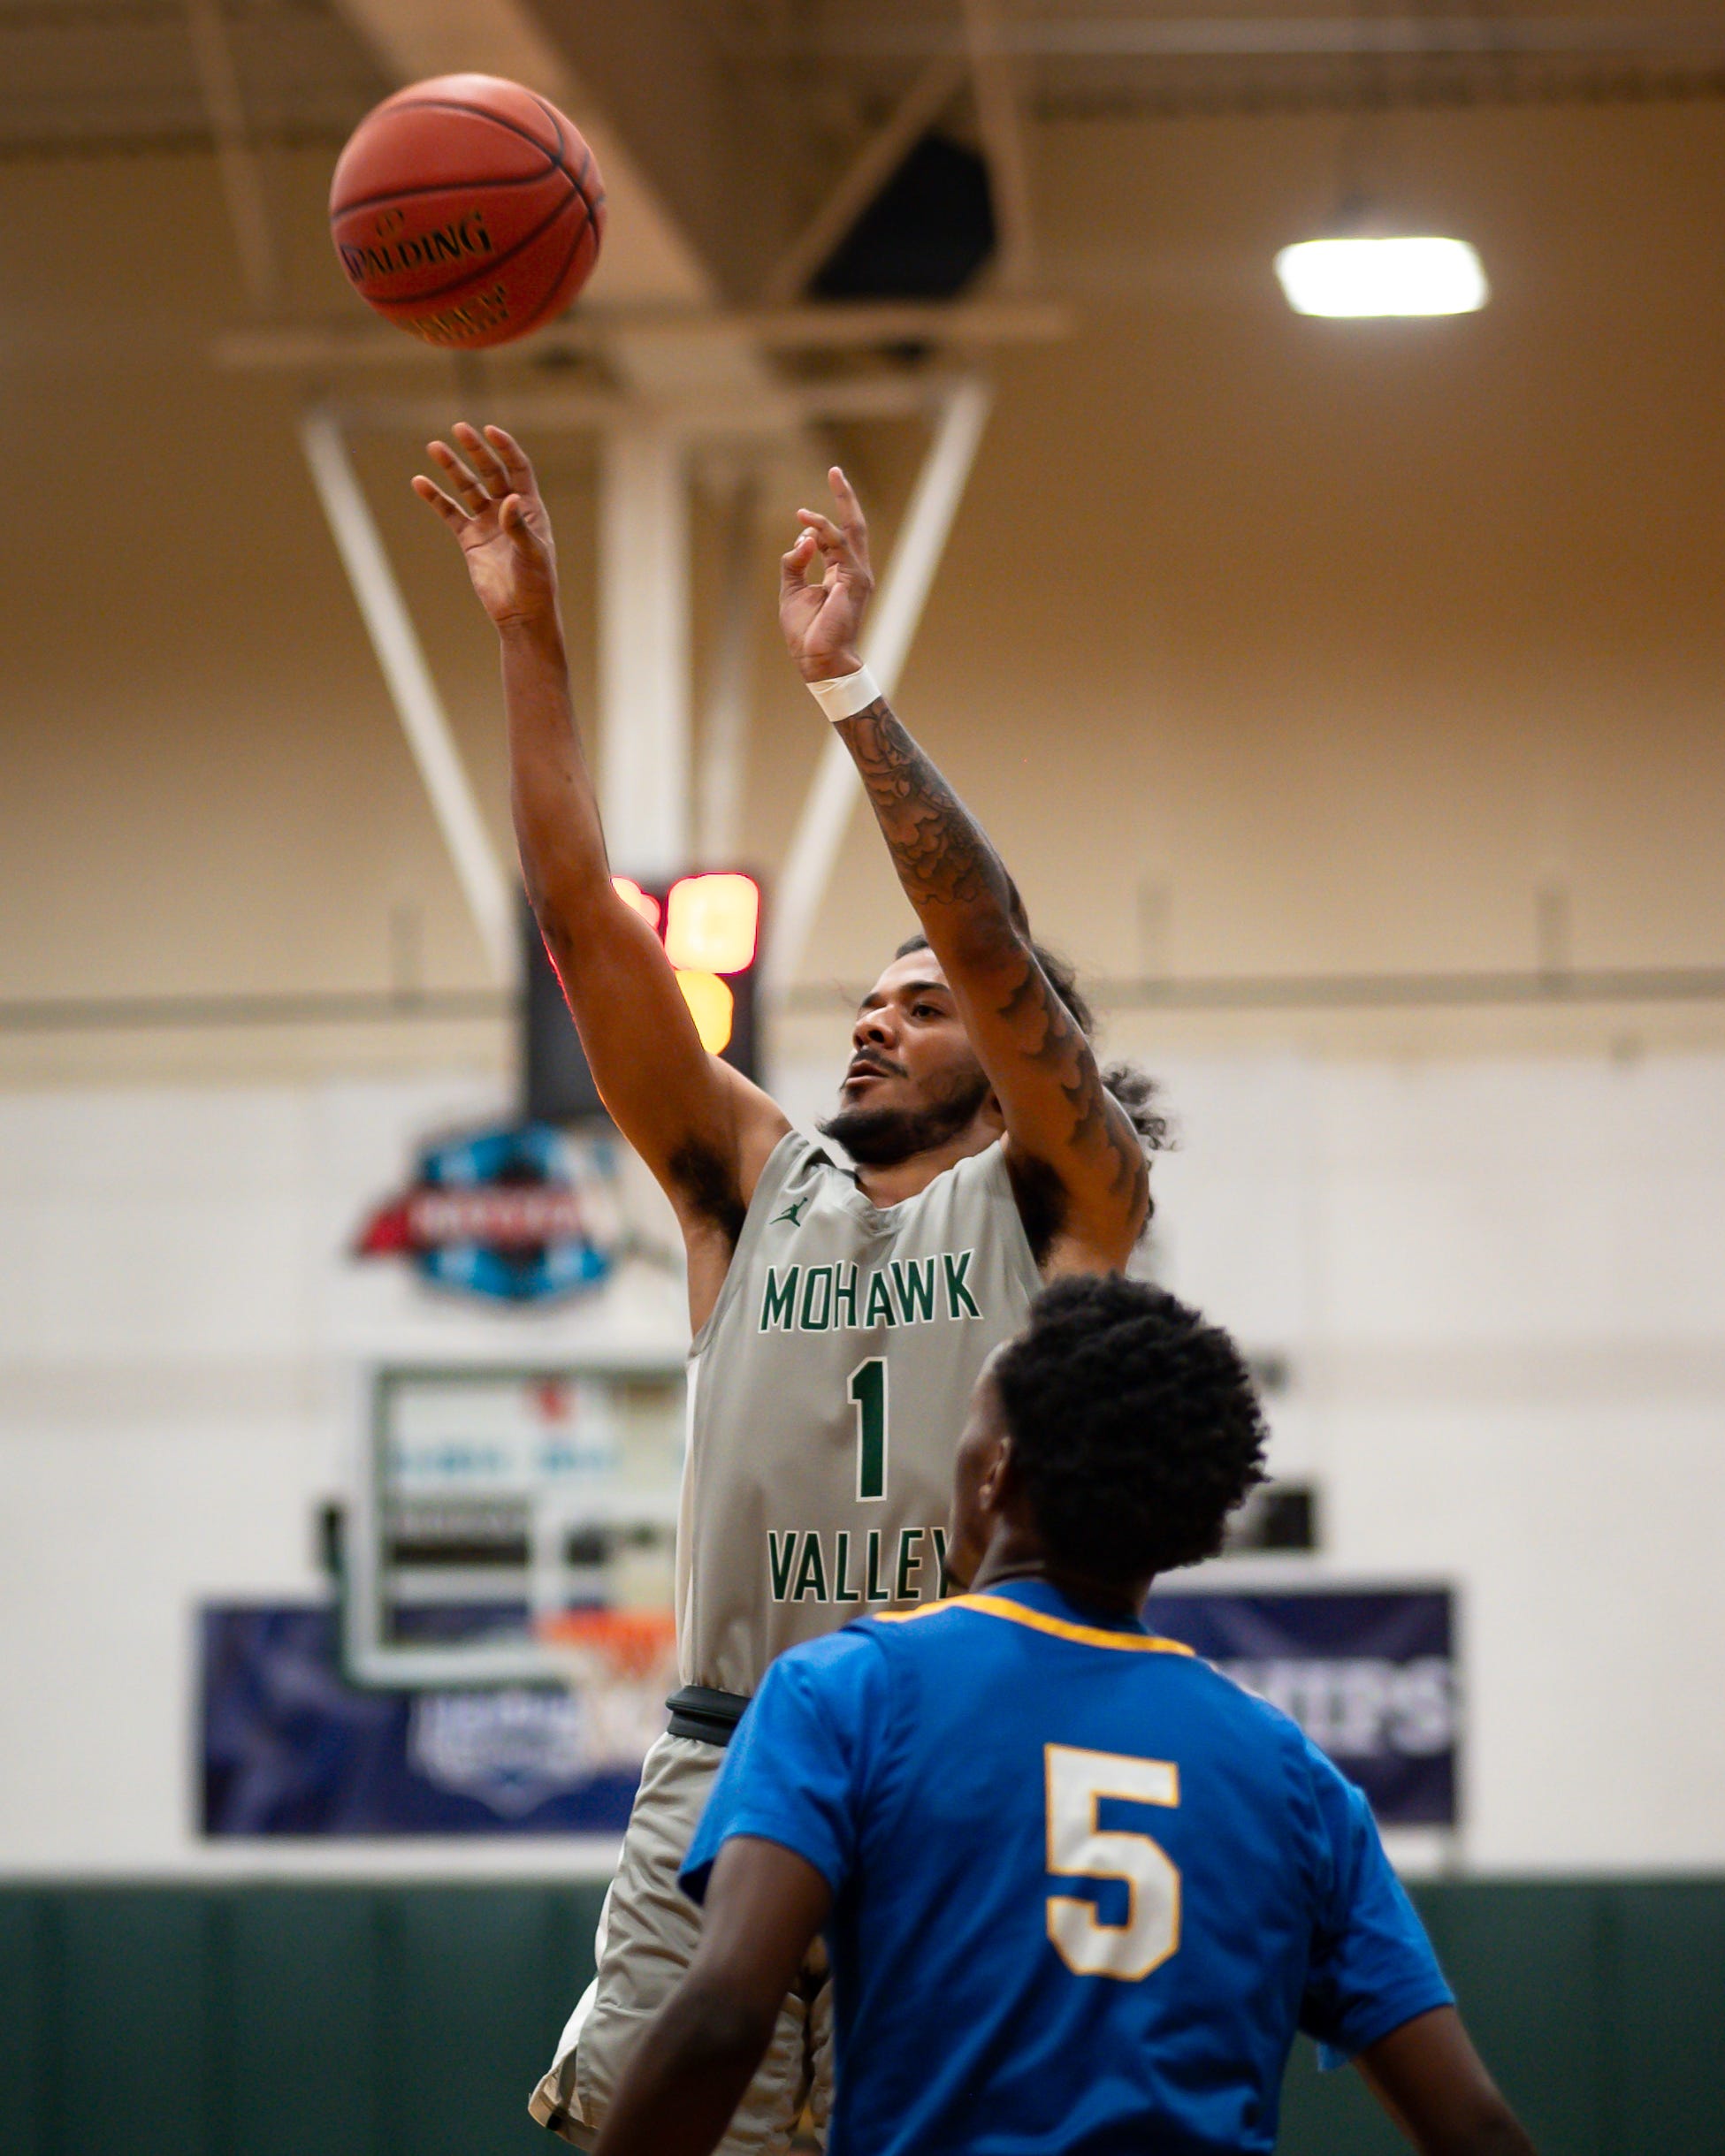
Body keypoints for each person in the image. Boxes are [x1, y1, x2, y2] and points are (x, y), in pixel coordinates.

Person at [411, 426, 1164, 2152]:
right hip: (725, 1761)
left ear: (1022, 1040)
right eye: (871, 996)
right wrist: (530, 639)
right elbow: (583, 924)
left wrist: (845, 692)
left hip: (960, 1767)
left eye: (923, 1001)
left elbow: (985, 933)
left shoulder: (1066, 1196)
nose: (873, 1014)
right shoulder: (749, 1183)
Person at [589, 1275, 1538, 2156]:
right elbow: (1478, 2131)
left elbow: (719, 2018)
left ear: (997, 1470)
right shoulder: (1297, 1782)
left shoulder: (846, 1691)